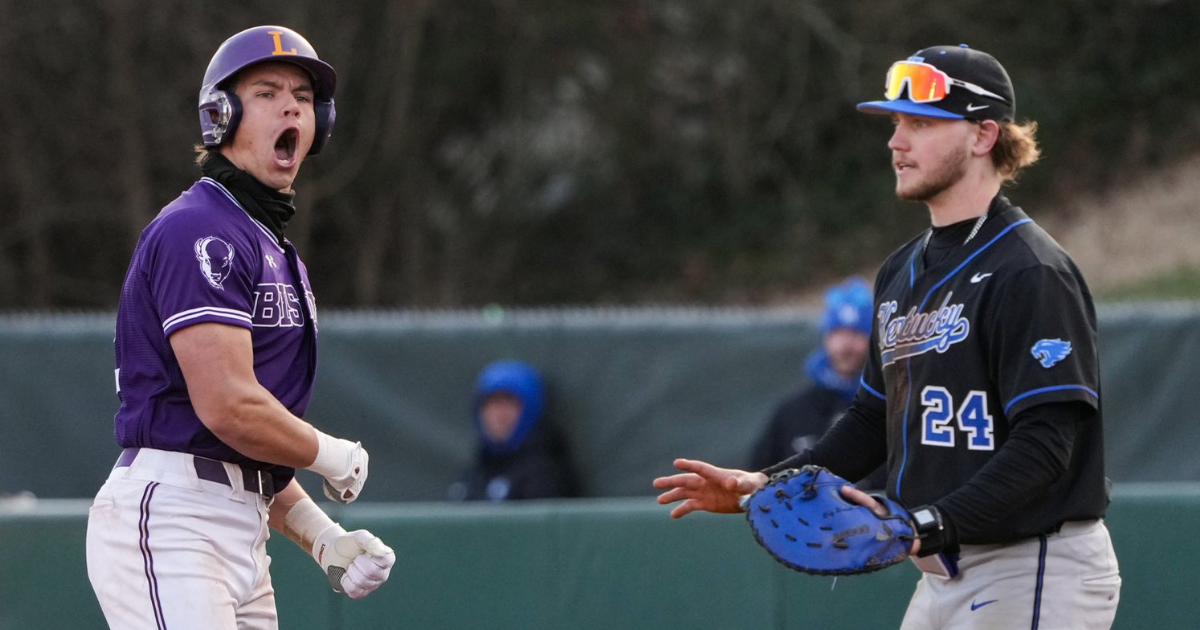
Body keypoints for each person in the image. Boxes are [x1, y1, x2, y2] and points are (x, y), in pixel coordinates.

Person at [654, 44, 1119, 629]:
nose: (896, 142)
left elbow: (1048, 446)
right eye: (896, 123)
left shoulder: (1030, 271)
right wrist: (762, 485)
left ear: (982, 136)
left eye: (920, 123)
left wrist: (929, 522)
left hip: (1032, 565)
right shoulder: (901, 270)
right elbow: (874, 420)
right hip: (948, 569)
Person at [86, 26, 395, 630]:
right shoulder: (199, 228)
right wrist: (332, 455)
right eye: (268, 91)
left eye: (303, 99)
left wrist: (321, 535)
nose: (291, 106)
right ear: (220, 115)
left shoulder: (273, 248)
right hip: (175, 519)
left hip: (241, 528)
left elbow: (244, 451)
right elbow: (227, 407)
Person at [748, 276, 885, 489]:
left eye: (856, 334)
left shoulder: (890, 407)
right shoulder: (792, 412)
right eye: (838, 333)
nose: (845, 346)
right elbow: (757, 480)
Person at [448, 360, 578, 501]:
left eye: (509, 404)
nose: (499, 415)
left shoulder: (545, 476)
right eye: (492, 404)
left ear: (531, 409)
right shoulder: (471, 475)